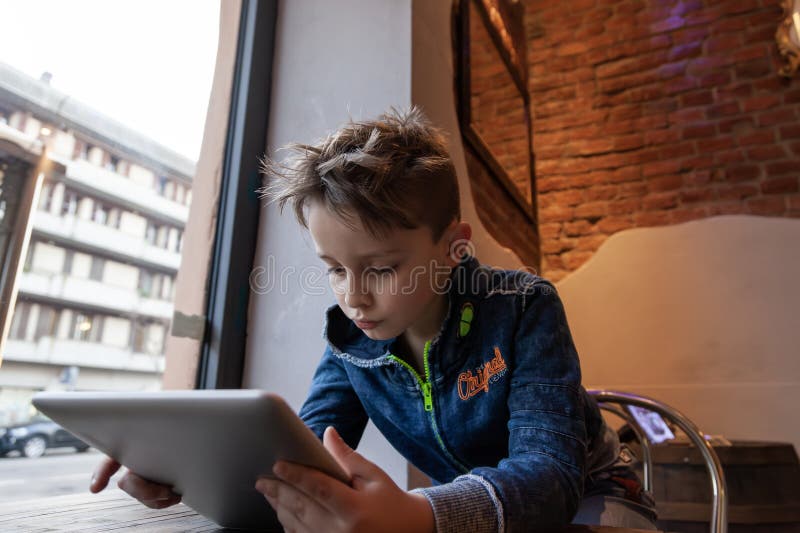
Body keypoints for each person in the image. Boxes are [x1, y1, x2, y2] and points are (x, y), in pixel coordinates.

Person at [91, 108, 657, 531]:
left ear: (454, 246)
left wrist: (417, 515)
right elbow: (301, 458)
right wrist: (184, 465)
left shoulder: (523, 307)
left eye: (381, 269)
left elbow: (549, 479)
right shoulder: (351, 340)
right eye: (334, 269)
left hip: (593, 493)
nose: (354, 297)